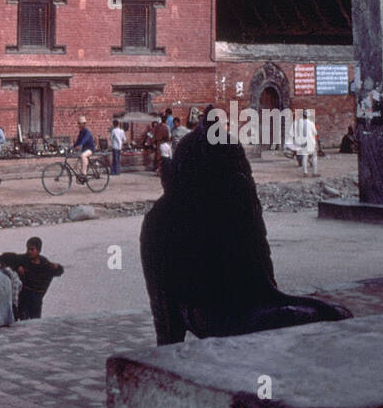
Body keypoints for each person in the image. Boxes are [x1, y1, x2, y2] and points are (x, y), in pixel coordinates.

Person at [140, 105, 352, 346]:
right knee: (315, 315)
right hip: (215, 312)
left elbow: (262, 275)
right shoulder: (174, 213)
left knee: (329, 314)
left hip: (235, 306)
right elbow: (165, 309)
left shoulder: (168, 214)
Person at [15, 237, 65, 321]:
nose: (29, 252)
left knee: (35, 322)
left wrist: (58, 267)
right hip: (24, 299)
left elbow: (59, 271)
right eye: (28, 249)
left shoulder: (44, 263)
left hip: (37, 299)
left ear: (38, 250)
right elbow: (9, 258)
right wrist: (17, 267)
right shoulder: (22, 259)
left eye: (32, 249)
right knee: (24, 322)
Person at [294, 110, 319, 176]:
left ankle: (305, 172)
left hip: (302, 142)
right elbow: (315, 133)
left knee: (305, 156)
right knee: (314, 156)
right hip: (310, 141)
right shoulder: (311, 123)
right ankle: (314, 172)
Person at [0, 253, 23, 320]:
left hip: (7, 306)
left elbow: (6, 270)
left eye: (1, 264)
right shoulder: (16, 276)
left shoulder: (6, 271)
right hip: (15, 306)